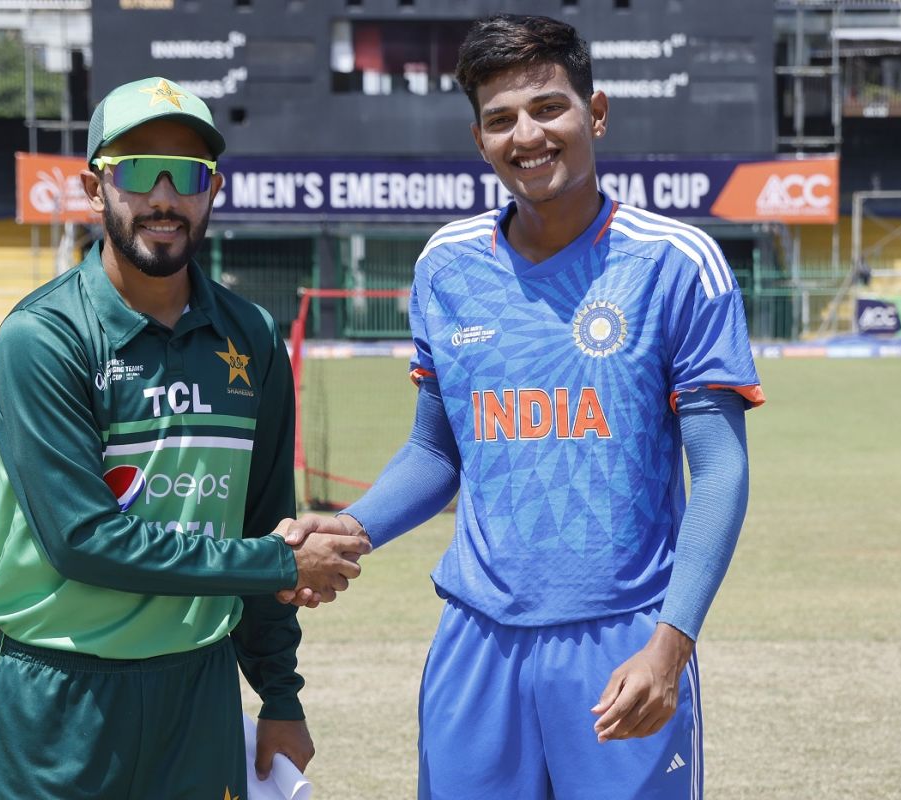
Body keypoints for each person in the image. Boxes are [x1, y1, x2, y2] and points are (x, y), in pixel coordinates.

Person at [280, 15, 764, 800]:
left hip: (622, 640)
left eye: (548, 108)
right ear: (479, 141)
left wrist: (670, 646)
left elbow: (718, 470)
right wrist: (358, 526)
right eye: (501, 119)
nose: (527, 135)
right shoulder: (446, 264)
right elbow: (438, 451)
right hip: (476, 642)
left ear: (595, 113)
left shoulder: (676, 263)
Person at [0, 76, 370, 799]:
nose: (163, 197)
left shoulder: (250, 336)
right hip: (61, 695)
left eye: (186, 174)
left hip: (199, 687)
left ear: (211, 190)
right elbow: (82, 541)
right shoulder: (46, 337)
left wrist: (279, 695)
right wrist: (280, 565)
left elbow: (263, 524)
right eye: (135, 172)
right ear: (95, 190)